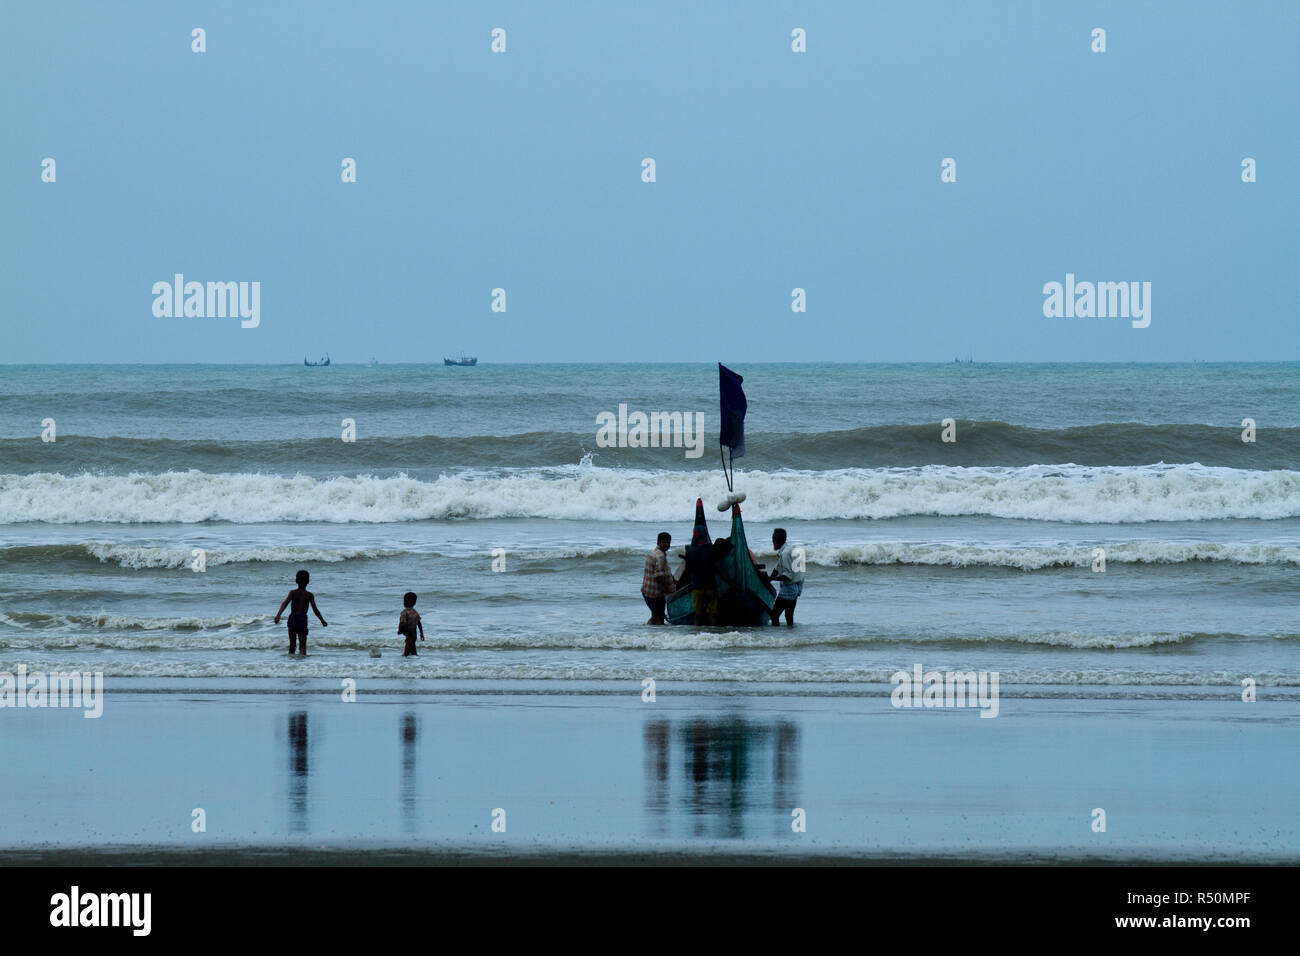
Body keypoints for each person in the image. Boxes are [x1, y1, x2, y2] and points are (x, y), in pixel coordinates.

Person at [274, 569, 327, 655]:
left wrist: (278, 615)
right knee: (302, 645)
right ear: (308, 581)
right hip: (302, 619)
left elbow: (285, 603)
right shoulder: (309, 595)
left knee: (292, 645)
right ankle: (302, 665)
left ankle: (291, 662)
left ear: (296, 581)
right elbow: (315, 609)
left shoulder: (293, 593)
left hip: (292, 618)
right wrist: (322, 620)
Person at [684, 501, 718, 626]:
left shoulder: (690, 551)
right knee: (713, 614)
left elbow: (687, 570)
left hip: (697, 587)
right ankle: (713, 632)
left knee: (698, 614)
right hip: (711, 586)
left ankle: (698, 634)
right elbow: (717, 567)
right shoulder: (711, 550)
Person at [768, 529, 804, 626]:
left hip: (789, 588)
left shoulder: (785, 553)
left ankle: (777, 639)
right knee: (789, 616)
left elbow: (787, 576)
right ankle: (790, 637)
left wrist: (771, 579)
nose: (772, 542)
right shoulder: (789, 549)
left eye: (773, 539)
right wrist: (770, 578)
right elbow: (778, 567)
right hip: (797, 587)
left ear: (777, 540)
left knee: (774, 615)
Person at [641, 532, 676, 624]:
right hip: (656, 594)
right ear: (658, 542)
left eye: (668, 543)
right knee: (660, 618)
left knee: (654, 616)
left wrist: (674, 580)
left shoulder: (654, 552)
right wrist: (667, 589)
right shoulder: (660, 556)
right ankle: (659, 635)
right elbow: (659, 576)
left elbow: (664, 571)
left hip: (647, 591)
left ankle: (651, 635)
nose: (667, 545)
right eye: (664, 542)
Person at [398, 592, 424, 656]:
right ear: (414, 603)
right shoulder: (415, 612)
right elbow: (419, 624)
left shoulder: (404, 613)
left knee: (406, 650)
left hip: (408, 634)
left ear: (404, 602)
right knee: (413, 648)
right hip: (414, 634)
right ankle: (414, 660)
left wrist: (400, 630)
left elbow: (402, 623)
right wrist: (421, 633)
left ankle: (405, 661)